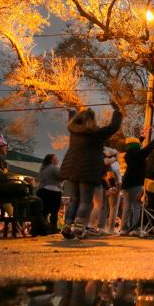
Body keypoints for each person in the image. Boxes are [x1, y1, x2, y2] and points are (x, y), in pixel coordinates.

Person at [59, 102, 123, 239]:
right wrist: (117, 111)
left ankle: (67, 225)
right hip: (88, 170)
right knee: (85, 201)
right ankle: (78, 226)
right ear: (92, 120)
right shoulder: (98, 134)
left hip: (71, 169)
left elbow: (72, 120)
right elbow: (114, 127)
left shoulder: (74, 132)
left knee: (73, 199)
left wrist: (71, 111)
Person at [119, 133, 154, 234]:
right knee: (136, 206)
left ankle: (124, 229)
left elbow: (134, 145)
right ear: (137, 146)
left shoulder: (127, 155)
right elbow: (151, 146)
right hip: (136, 184)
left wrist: (141, 138)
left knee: (126, 207)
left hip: (126, 184)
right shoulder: (140, 154)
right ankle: (135, 228)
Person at [36, 154, 63, 233]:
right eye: (55, 158)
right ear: (51, 160)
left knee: (44, 211)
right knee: (54, 211)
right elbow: (60, 176)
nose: (57, 160)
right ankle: (53, 227)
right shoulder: (54, 168)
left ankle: (43, 228)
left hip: (42, 190)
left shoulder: (42, 169)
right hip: (54, 191)